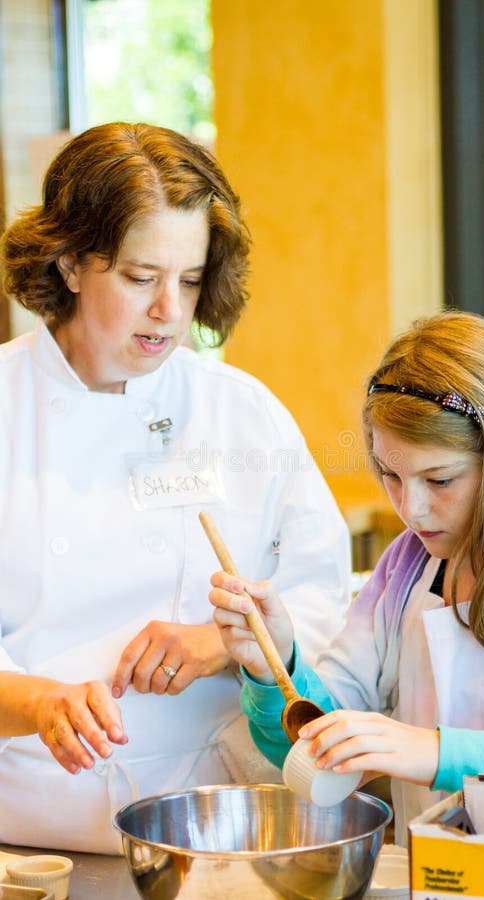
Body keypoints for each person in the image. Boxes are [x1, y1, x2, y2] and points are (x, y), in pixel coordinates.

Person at [0, 122, 351, 853]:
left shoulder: (241, 412)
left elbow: (324, 597)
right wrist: (35, 701)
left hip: (215, 821)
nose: (170, 310)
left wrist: (226, 642)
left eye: (189, 280)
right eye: (139, 277)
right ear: (68, 262)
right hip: (30, 834)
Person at [210, 310, 484, 844]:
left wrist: (434, 750)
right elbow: (321, 749)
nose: (410, 509)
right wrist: (273, 666)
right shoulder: (407, 569)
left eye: (439, 479)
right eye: (390, 474)